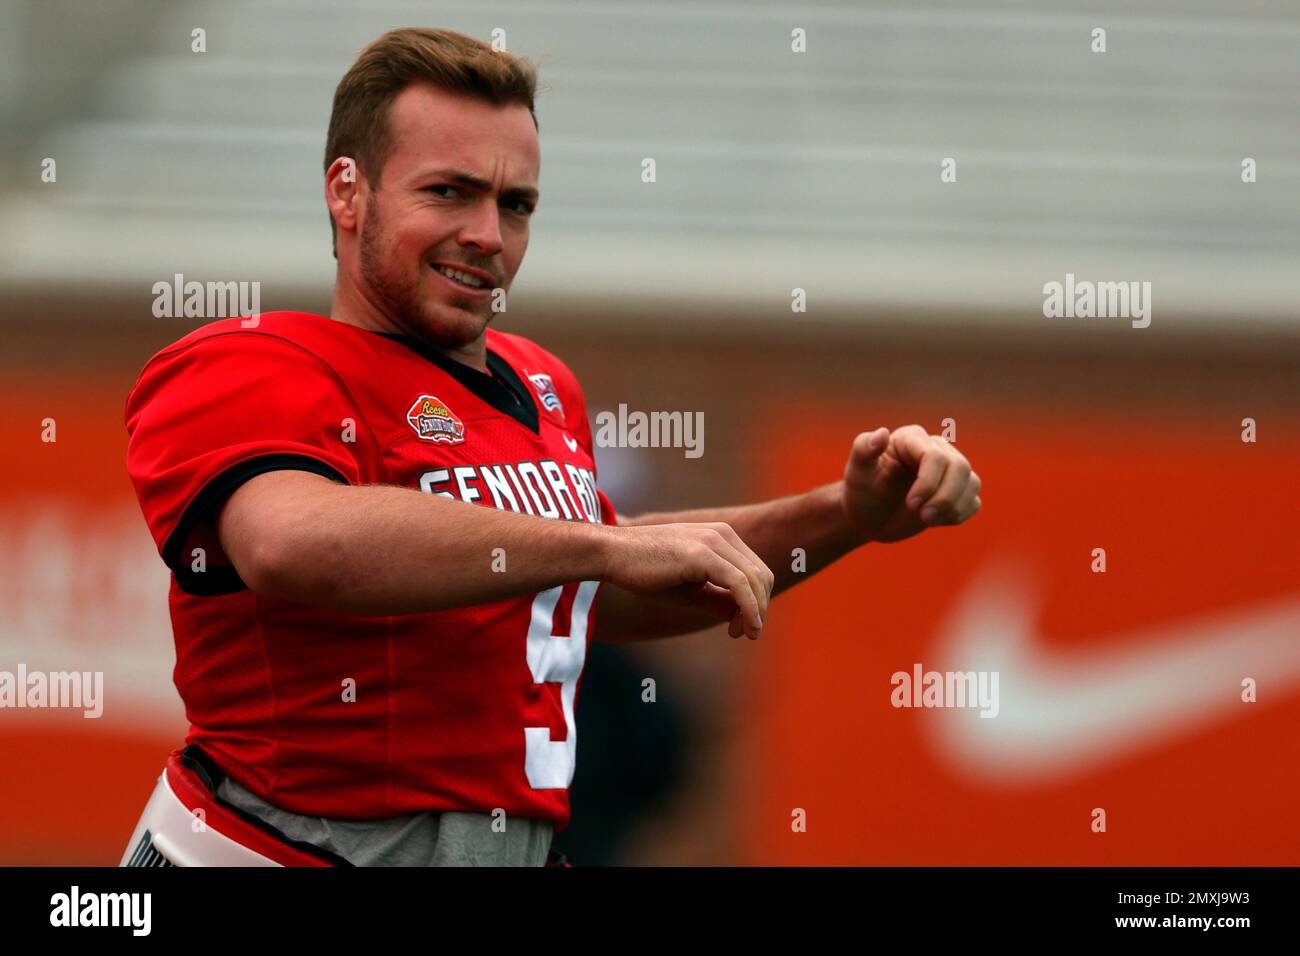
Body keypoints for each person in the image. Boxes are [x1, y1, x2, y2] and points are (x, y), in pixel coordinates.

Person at [120, 27, 981, 867]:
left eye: (515, 204)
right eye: (449, 192)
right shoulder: (251, 363)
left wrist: (848, 514)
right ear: (348, 192)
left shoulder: (540, 385)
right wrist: (606, 545)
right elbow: (292, 543)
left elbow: (606, 594)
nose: (489, 234)